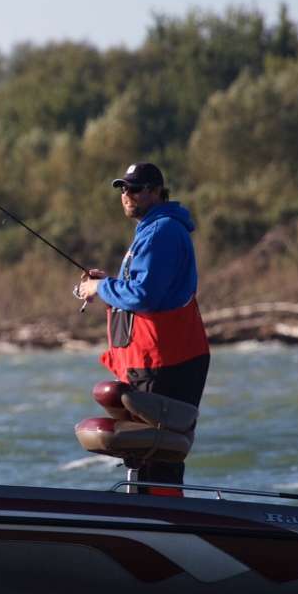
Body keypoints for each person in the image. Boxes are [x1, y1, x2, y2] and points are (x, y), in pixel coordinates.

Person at [75, 162, 210, 493]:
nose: (126, 195)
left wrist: (100, 289)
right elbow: (142, 290)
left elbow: (144, 295)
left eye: (134, 189)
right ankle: (151, 506)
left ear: (155, 192)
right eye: (123, 189)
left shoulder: (162, 231)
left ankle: (163, 517)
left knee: (160, 449)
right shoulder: (152, 230)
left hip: (165, 359)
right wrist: (107, 284)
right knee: (151, 450)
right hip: (151, 358)